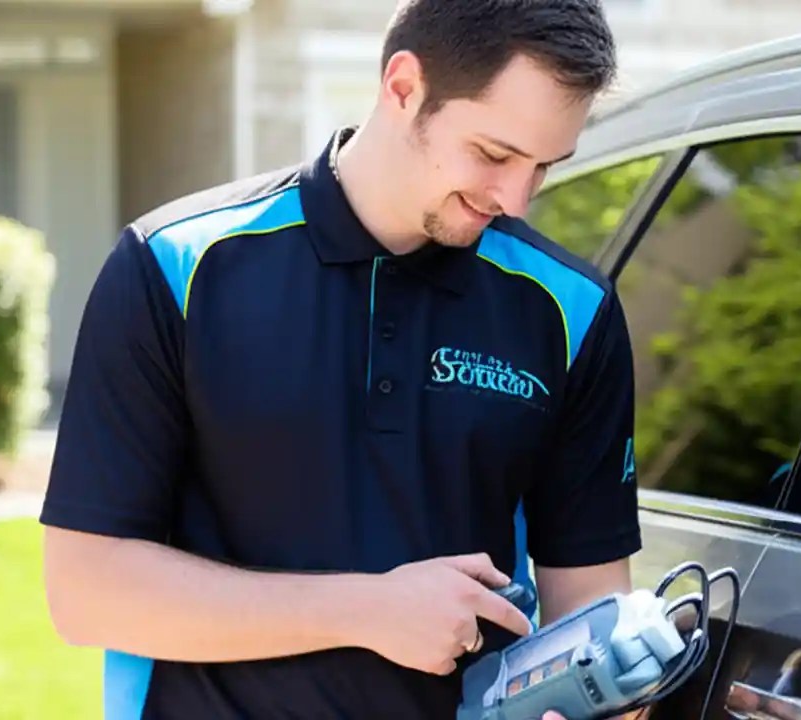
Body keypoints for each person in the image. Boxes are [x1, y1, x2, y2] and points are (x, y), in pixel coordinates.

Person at [39, 0, 643, 718]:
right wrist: (367, 609)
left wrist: (608, 696)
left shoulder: (573, 312)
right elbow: (86, 593)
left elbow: (593, 611)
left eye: (545, 166)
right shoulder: (176, 265)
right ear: (402, 87)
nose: (515, 199)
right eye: (493, 154)